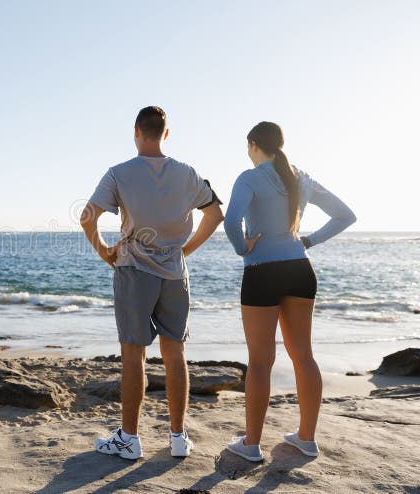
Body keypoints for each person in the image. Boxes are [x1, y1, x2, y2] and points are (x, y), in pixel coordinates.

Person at [80, 106, 224, 459]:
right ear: (166, 133)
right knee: (175, 354)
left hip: (134, 271)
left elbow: (87, 217)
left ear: (135, 132)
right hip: (175, 273)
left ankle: (129, 438)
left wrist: (105, 253)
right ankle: (177, 438)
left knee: (134, 356)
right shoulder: (187, 173)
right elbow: (216, 213)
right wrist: (184, 250)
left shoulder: (119, 173)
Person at [223, 121, 356, 462]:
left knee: (261, 361)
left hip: (262, 273)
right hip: (300, 270)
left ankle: (251, 446)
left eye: (247, 146)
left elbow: (230, 221)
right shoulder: (302, 178)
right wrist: (308, 241)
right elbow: (345, 215)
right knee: (303, 356)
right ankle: (306, 439)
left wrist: (244, 248)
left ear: (253, 145)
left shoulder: (249, 178)